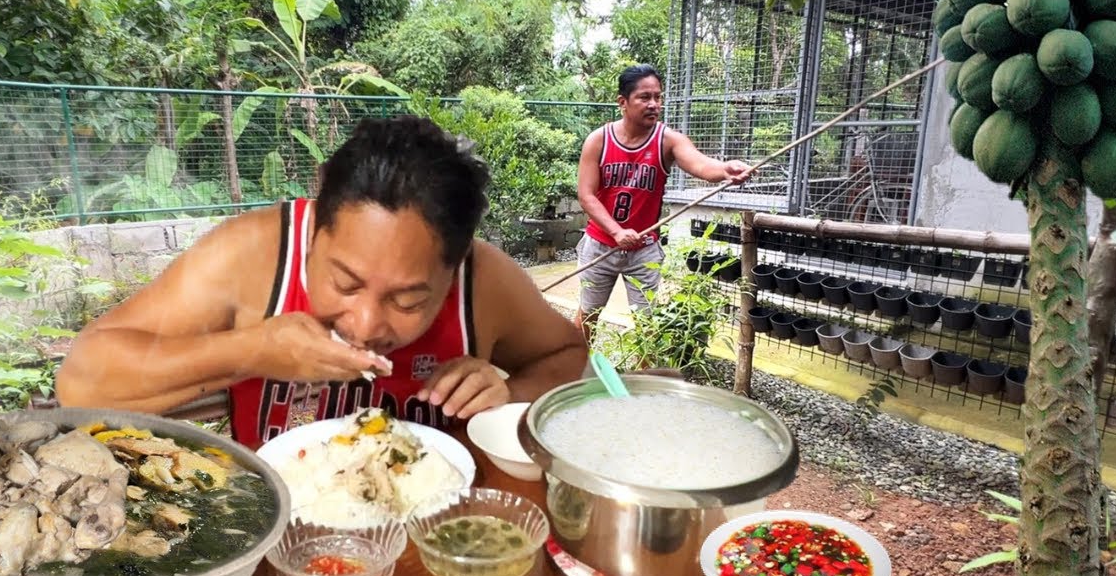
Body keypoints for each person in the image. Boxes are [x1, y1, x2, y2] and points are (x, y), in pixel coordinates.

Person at [56, 116, 588, 450]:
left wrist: (510, 392)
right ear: (316, 229)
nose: (364, 324)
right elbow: (82, 384)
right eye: (345, 283)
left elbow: (567, 353)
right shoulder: (250, 255)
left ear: (453, 268)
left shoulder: (483, 278)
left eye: (407, 299)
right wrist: (250, 350)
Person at [574, 64, 752, 345]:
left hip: (644, 251)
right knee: (588, 316)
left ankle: (647, 385)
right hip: (600, 246)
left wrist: (726, 169)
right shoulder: (599, 141)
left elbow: (700, 164)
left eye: (658, 97)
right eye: (645, 97)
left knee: (647, 325)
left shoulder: (667, 140)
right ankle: (574, 374)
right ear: (623, 102)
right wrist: (616, 232)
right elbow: (586, 195)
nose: (654, 104)